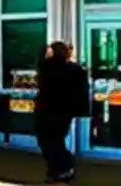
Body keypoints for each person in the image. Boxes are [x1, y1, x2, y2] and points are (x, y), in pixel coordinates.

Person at [35, 41, 89, 185]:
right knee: (54, 142)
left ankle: (62, 169)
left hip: (52, 112)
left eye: (50, 51)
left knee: (50, 143)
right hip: (61, 112)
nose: (47, 54)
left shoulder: (50, 69)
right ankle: (58, 170)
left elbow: (41, 63)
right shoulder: (74, 70)